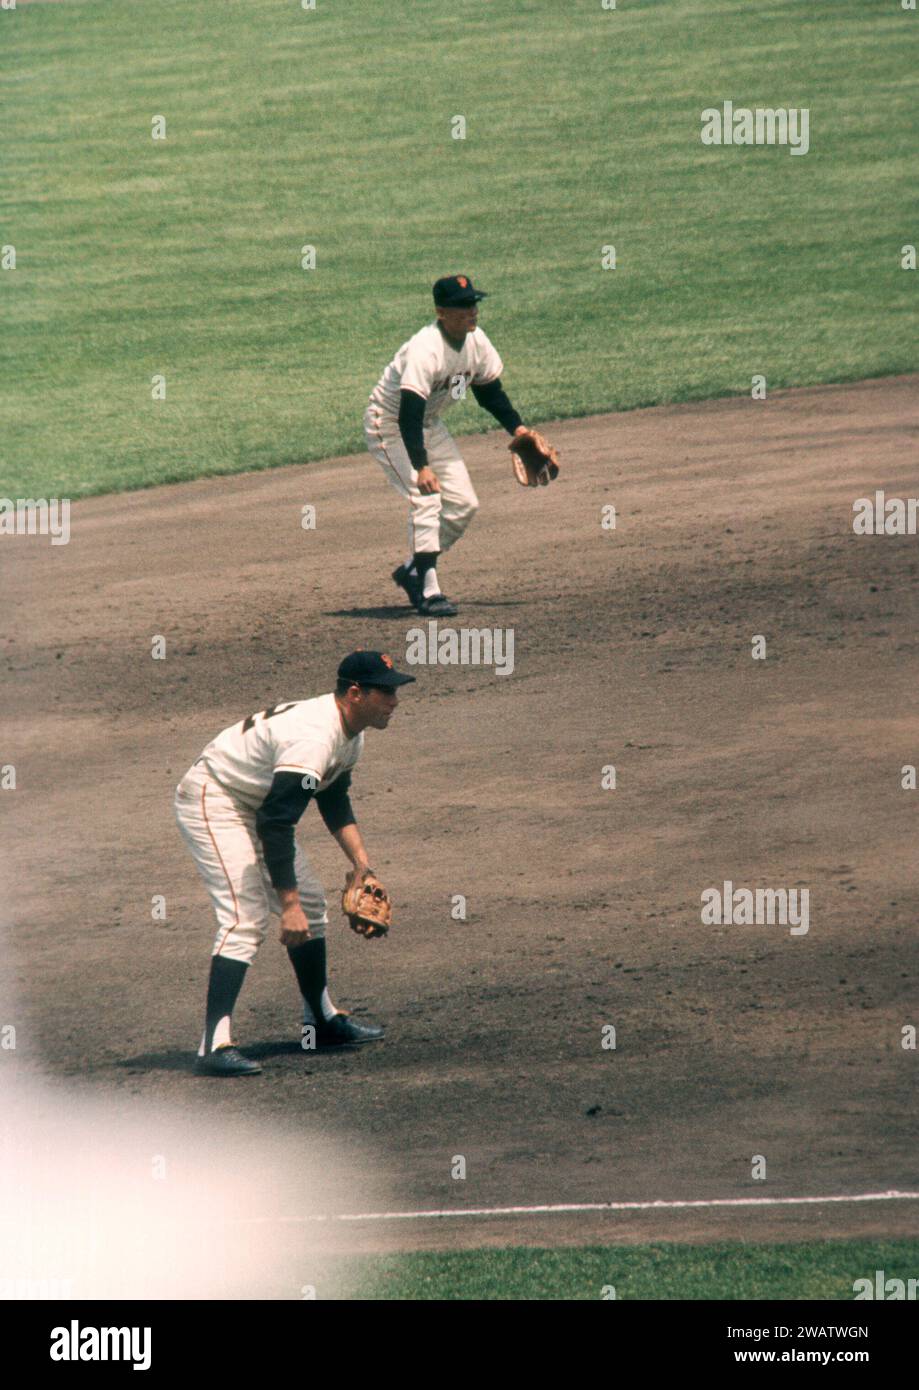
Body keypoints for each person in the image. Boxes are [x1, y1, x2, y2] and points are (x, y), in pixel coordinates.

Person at [174, 651, 415, 1076]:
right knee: (244, 917)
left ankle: (320, 1021)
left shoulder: (351, 734)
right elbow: (276, 824)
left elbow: (333, 796)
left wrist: (363, 865)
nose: (395, 700)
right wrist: (288, 907)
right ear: (355, 694)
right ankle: (213, 1045)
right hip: (217, 798)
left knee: (312, 905)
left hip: (259, 804)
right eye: (386, 691)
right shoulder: (313, 737)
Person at [364, 274, 530, 616]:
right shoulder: (425, 349)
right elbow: (408, 414)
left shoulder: (476, 341)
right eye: (462, 307)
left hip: (428, 424)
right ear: (442, 312)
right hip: (391, 425)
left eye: (474, 304)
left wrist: (518, 428)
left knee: (464, 504)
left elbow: (489, 392)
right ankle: (429, 590)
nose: (472, 312)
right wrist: (421, 466)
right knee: (426, 497)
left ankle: (413, 569)